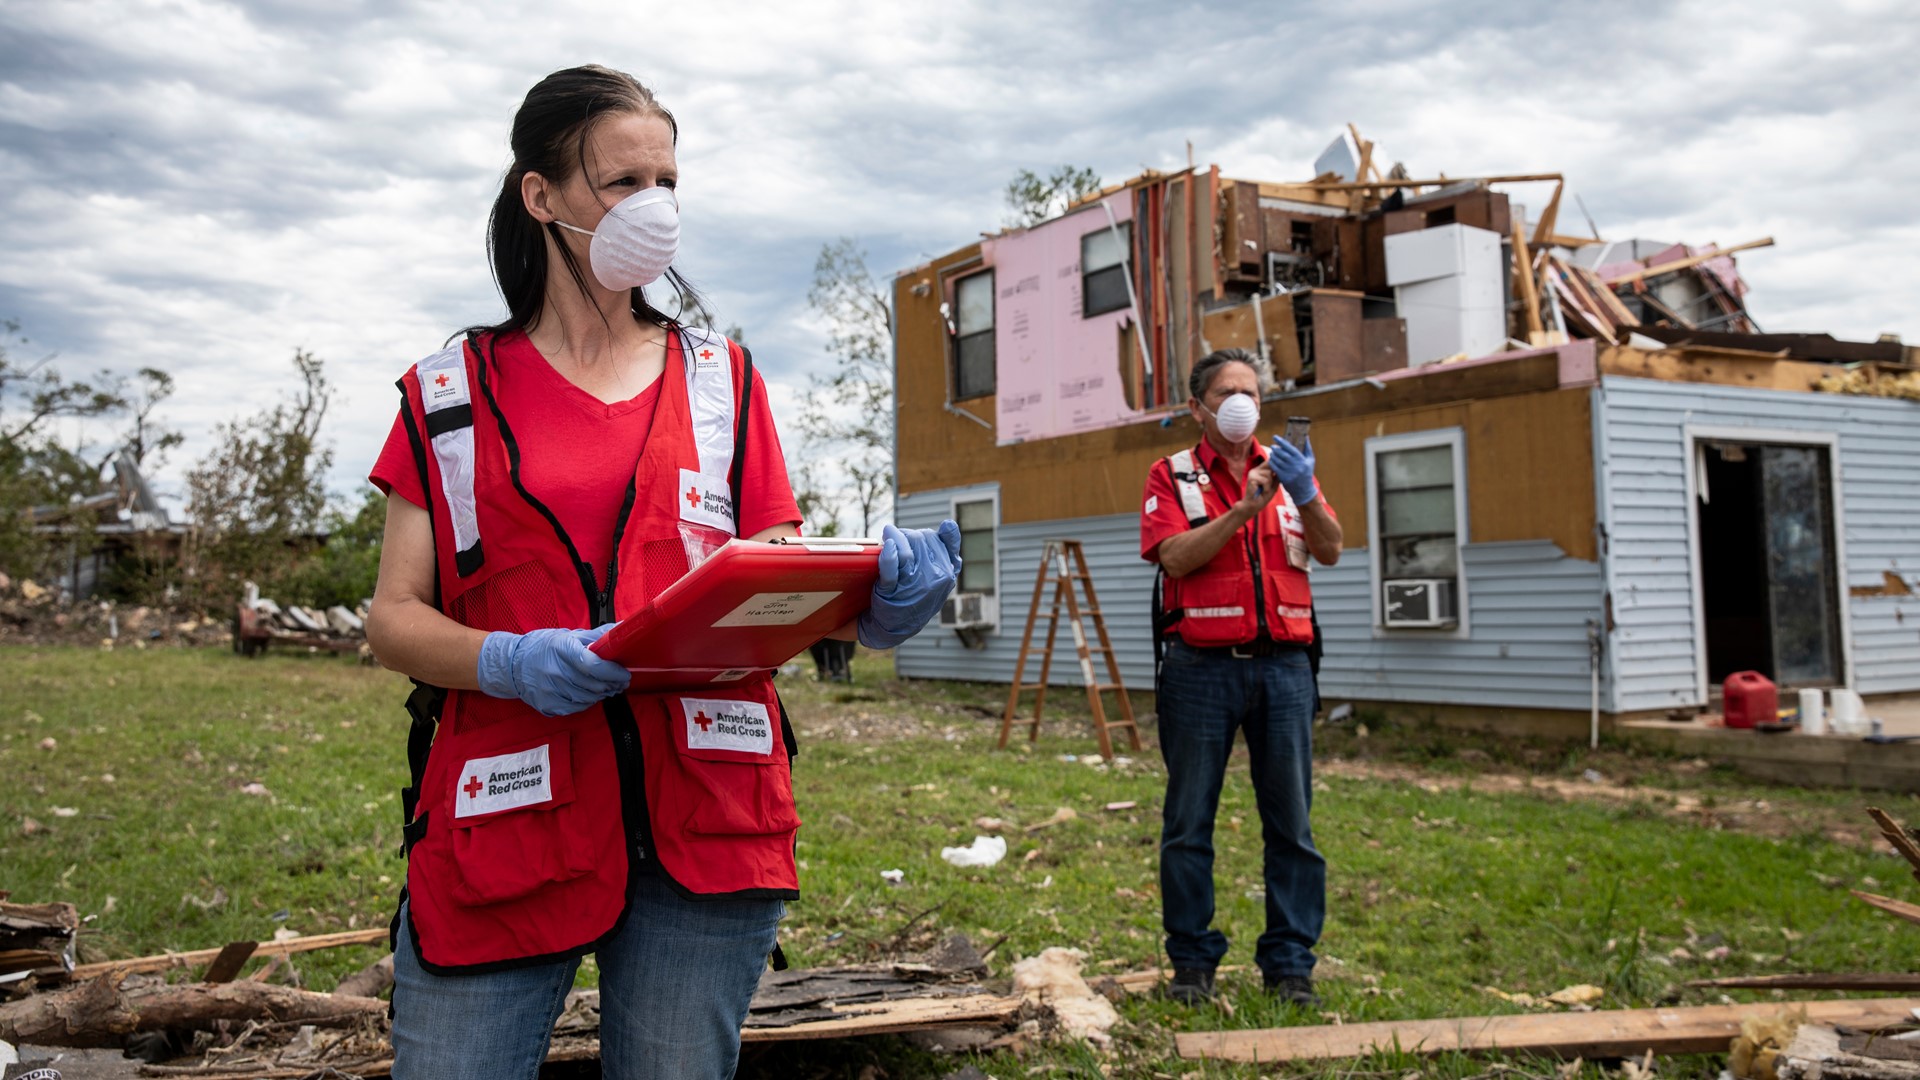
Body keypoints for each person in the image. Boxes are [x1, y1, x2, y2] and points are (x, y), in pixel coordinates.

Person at [362, 65, 960, 1080]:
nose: (655, 207)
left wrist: (868, 605)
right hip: (508, 819)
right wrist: (509, 660)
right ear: (541, 195)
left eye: (667, 182)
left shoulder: (722, 381)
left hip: (707, 814)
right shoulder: (448, 396)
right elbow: (393, 618)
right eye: (623, 182)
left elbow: (774, 581)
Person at [1138, 347, 1343, 1006]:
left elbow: (1332, 549)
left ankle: (1290, 966)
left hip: (1285, 670)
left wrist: (1304, 493)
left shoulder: (1288, 468)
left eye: (1251, 391)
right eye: (1227, 391)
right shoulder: (1172, 475)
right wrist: (1240, 513)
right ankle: (1192, 965)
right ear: (1198, 407)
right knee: (1188, 824)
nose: (1242, 402)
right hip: (1199, 670)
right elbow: (1173, 558)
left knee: (1292, 827)